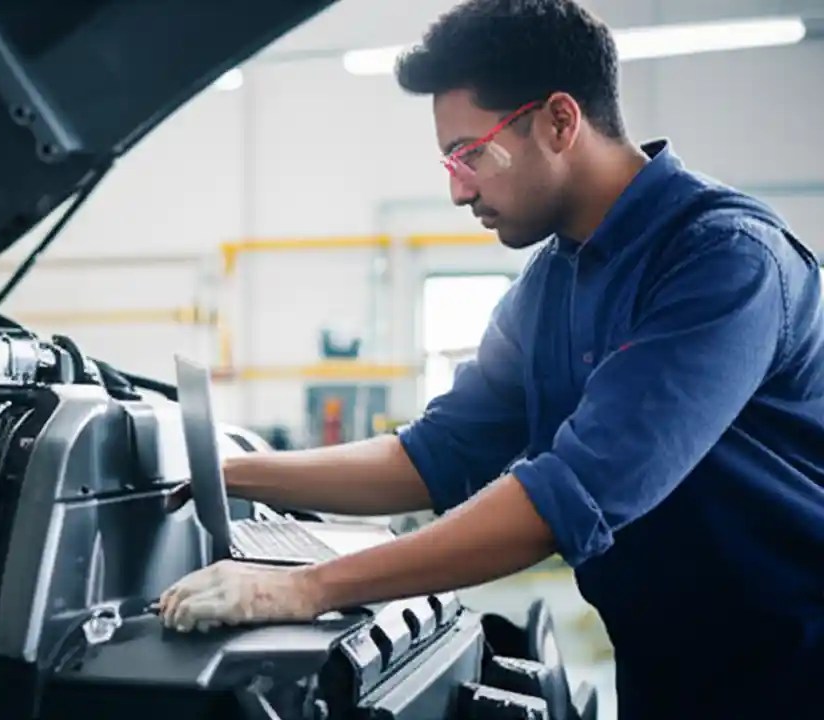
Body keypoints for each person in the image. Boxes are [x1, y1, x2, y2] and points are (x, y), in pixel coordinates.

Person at [155, 1, 824, 717]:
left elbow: (569, 495)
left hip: (794, 672)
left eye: (473, 153)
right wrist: (226, 471)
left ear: (560, 122)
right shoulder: (553, 282)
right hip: (669, 670)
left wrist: (306, 587)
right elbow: (436, 454)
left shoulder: (724, 261)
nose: (458, 188)